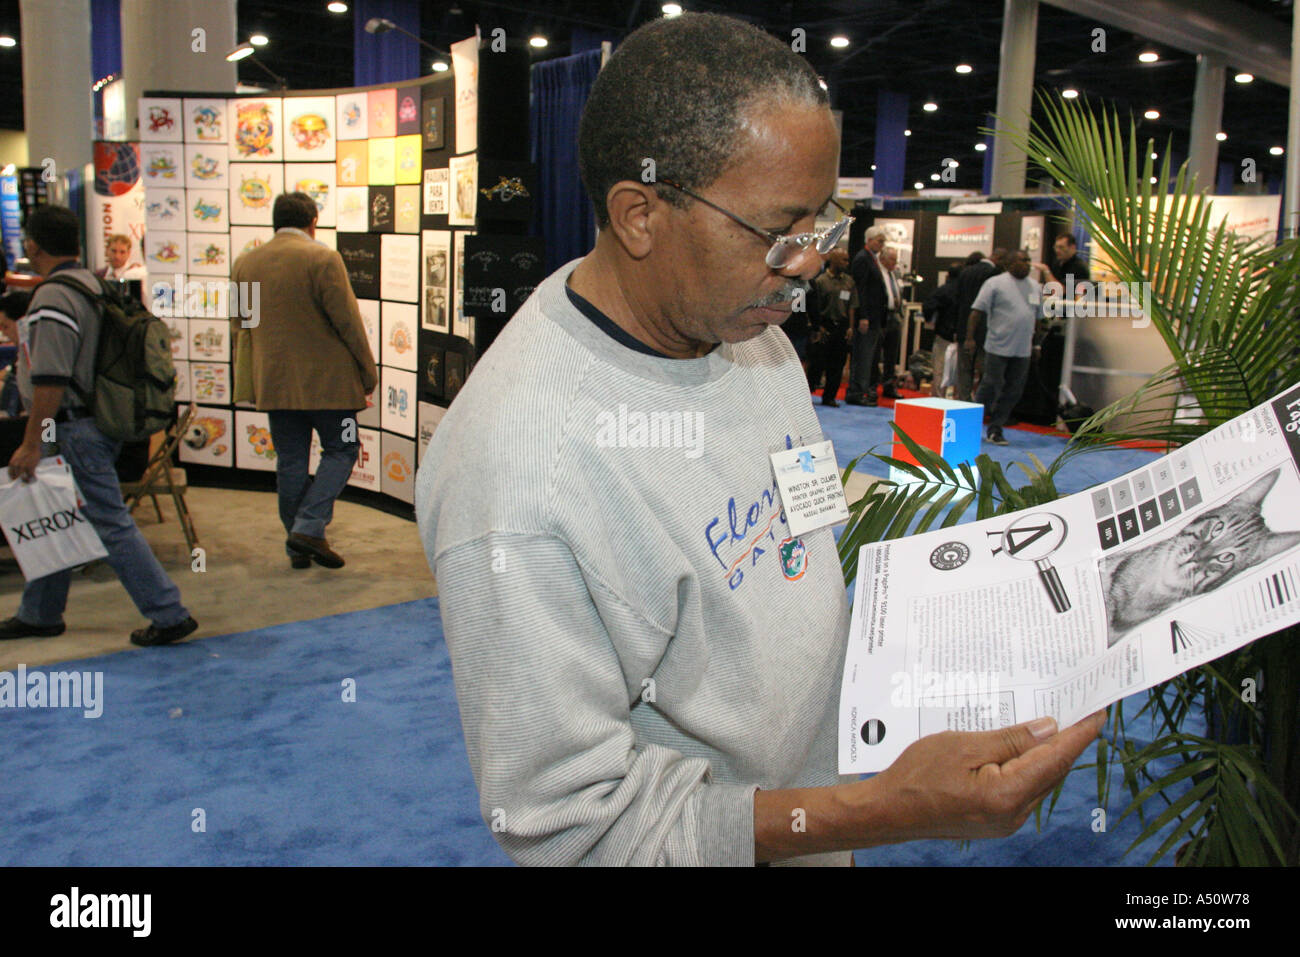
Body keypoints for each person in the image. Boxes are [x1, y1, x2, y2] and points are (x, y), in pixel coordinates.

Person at [415, 12, 1102, 867]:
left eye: (822, 224)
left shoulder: (753, 336)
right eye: (781, 230)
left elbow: (803, 538)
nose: (810, 261)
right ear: (639, 215)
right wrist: (875, 811)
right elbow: (574, 831)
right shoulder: (520, 477)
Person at [1, 205, 197, 646]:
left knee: (109, 521)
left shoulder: (54, 296)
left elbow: (52, 376)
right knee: (57, 514)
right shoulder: (91, 284)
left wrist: (32, 442)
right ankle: (40, 612)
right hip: (93, 423)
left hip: (72, 428)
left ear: (32, 245)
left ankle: (168, 612)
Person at [230, 192, 378, 569]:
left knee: (291, 462)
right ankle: (309, 527)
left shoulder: (245, 263)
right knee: (343, 449)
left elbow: (240, 325)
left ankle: (297, 545)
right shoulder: (323, 258)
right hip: (331, 388)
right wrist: (367, 371)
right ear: (313, 221)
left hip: (275, 385)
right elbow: (348, 322)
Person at [966, 249, 1044, 445]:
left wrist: (1036, 346)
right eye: (1022, 260)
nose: (1027, 264)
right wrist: (969, 338)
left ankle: (996, 428)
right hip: (997, 345)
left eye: (1028, 260)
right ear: (1010, 264)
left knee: (1014, 390)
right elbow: (976, 312)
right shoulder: (995, 284)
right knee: (990, 384)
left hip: (1023, 349)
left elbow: (1038, 319)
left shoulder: (1035, 287)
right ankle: (971, 425)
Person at [806, 245, 855, 406]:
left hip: (841, 326)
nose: (847, 263)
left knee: (838, 364)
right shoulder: (821, 281)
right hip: (824, 325)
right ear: (833, 260)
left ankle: (830, 396)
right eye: (844, 259)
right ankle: (808, 394)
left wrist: (850, 327)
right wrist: (817, 327)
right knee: (817, 363)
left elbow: (852, 306)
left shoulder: (849, 282)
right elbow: (814, 306)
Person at [846, 225, 888, 405]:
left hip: (873, 317)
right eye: (880, 241)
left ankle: (861, 391)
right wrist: (863, 316)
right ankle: (857, 392)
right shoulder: (863, 259)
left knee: (868, 357)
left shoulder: (871, 259)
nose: (882, 245)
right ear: (869, 240)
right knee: (862, 357)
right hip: (867, 317)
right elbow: (860, 290)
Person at [954, 248, 1003, 401]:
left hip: (964, 329)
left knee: (964, 371)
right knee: (986, 372)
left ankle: (963, 404)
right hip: (985, 331)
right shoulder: (995, 275)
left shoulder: (965, 272)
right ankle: (983, 406)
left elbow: (958, 300)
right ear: (998, 258)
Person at [923, 261, 965, 397]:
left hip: (944, 335)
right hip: (962, 337)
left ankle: (938, 402)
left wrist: (930, 319)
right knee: (961, 373)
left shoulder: (943, 290)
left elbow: (928, 306)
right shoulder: (966, 291)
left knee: (940, 370)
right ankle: (958, 402)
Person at [875, 244, 904, 399]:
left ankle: (888, 386)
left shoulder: (895, 274)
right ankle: (872, 386)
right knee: (875, 353)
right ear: (883, 259)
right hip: (882, 317)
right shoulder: (878, 272)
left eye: (896, 259)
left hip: (895, 317)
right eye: (892, 259)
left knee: (892, 355)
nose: (895, 262)